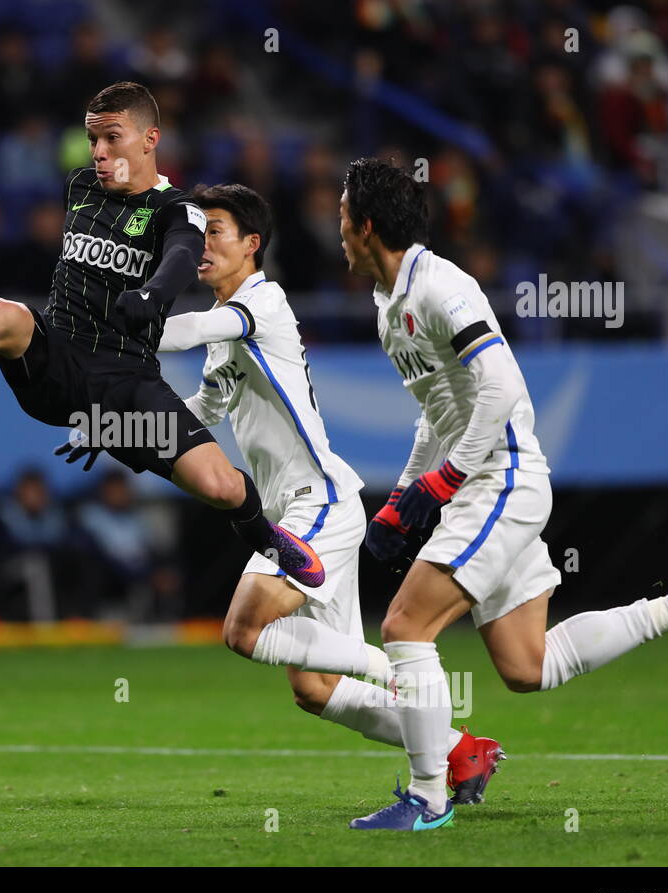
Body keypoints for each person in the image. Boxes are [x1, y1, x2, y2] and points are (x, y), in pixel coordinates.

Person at [338, 158, 668, 831]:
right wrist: (405, 491)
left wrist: (441, 482)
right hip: (484, 483)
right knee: (528, 667)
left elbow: (499, 388)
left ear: (368, 225)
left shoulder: (443, 287)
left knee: (406, 628)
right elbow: (436, 412)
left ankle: (428, 798)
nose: (338, 231)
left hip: (501, 478)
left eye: (343, 217)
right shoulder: (389, 304)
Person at [0, 81, 325, 591]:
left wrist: (152, 294)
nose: (99, 152)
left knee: (221, 485)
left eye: (112, 139)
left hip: (126, 389)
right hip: (54, 360)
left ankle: (267, 538)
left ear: (150, 140)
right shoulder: (79, 187)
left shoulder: (178, 209)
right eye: (92, 139)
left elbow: (182, 255)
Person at [136, 182, 502, 804]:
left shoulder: (264, 300)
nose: (202, 244)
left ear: (252, 244)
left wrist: (127, 325)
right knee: (315, 690)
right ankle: (459, 752)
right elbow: (204, 408)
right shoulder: (229, 331)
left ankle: (403, 673)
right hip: (297, 510)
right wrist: (126, 430)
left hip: (320, 503)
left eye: (215, 230)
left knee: (244, 631)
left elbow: (193, 326)